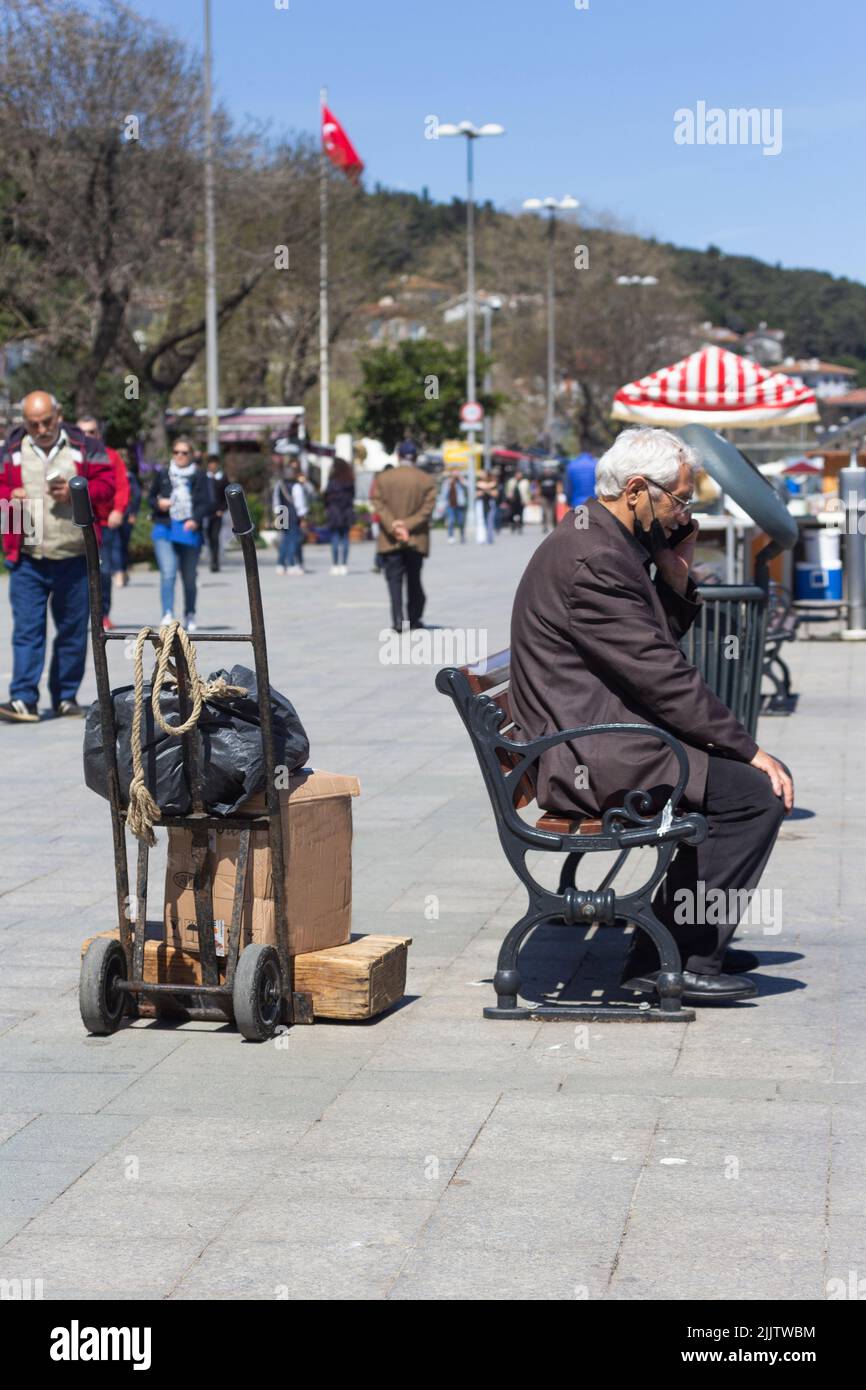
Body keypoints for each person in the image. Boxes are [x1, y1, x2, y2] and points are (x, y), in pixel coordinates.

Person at [509, 425, 793, 1005]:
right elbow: (660, 674)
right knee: (755, 793)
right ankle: (680, 956)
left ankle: (678, 936)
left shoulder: (600, 538)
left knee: (730, 784)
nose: (684, 513)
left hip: (595, 731)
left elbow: (645, 646)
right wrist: (748, 748)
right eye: (680, 499)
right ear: (638, 489)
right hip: (587, 749)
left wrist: (676, 571)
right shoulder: (596, 558)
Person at [0, 390, 114, 721]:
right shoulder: (10, 451)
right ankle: (23, 699)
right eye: (33, 424)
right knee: (27, 630)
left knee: (72, 631)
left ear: (59, 415)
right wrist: (10, 497)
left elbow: (108, 488)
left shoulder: (85, 447)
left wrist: (77, 490)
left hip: (75, 557)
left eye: (46, 422)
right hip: (28, 557)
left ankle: (66, 696)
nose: (41, 429)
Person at [148, 438, 209, 630]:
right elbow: (150, 497)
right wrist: (159, 503)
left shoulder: (199, 476)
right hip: (165, 527)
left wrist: (196, 519)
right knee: (168, 572)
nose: (180, 456)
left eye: (184, 452)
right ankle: (167, 613)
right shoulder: (163, 474)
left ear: (191, 455)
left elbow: (206, 502)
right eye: (176, 452)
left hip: (188, 530)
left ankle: (190, 613)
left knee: (189, 576)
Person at [375, 441, 436, 631]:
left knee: (394, 581)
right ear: (415, 457)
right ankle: (414, 619)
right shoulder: (426, 480)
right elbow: (427, 509)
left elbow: (378, 504)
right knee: (414, 579)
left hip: (390, 538)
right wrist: (407, 525)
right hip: (415, 538)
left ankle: (398, 620)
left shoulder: (383, 479)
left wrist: (394, 525)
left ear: (398, 456)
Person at [76, 415, 128, 631]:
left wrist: (118, 510)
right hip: (78, 524)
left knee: (103, 571)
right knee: (78, 572)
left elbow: (122, 485)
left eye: (92, 432)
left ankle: (103, 614)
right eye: (83, 433)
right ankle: (80, 615)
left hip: (104, 523)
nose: (88, 437)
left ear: (98, 434)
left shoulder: (111, 456)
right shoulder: (72, 457)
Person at [324, 458, 355, 574]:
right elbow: (352, 497)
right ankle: (344, 565)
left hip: (334, 512)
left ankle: (335, 564)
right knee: (345, 538)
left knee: (335, 538)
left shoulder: (332, 482)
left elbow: (326, 497)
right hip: (346, 512)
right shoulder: (349, 481)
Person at [272, 468, 304, 575]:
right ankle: (291, 564)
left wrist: (276, 514)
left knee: (284, 539)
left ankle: (280, 564)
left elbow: (276, 501)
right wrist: (302, 516)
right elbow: (299, 503)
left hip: (282, 513)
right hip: (292, 514)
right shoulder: (296, 486)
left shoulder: (279, 485)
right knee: (293, 539)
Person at [203, 454, 228, 572]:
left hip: (217, 513)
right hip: (206, 513)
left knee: (215, 537)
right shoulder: (204, 477)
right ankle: (211, 558)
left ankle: (215, 562)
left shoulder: (222, 478)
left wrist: (222, 510)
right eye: (210, 463)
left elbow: (227, 497)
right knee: (208, 537)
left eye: (214, 463)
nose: (212, 465)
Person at [442, 469, 468, 543]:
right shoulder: (447, 482)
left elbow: (468, 486)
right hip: (450, 505)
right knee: (451, 521)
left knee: (461, 522)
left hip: (460, 504)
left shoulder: (461, 481)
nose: (455, 475)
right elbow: (444, 494)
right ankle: (451, 536)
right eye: (454, 473)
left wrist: (460, 479)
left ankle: (462, 536)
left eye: (457, 473)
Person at [476, 471, 499, 544]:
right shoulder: (479, 483)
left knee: (490, 521)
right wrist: (488, 489)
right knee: (480, 521)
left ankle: (490, 538)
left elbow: (495, 494)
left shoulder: (493, 483)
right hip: (481, 503)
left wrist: (486, 489)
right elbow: (477, 494)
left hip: (490, 503)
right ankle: (481, 538)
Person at [539, 465, 559, 533]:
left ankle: (555, 526)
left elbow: (558, 485)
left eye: (548, 469)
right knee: (544, 512)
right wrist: (537, 495)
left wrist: (559, 493)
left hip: (553, 496)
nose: (547, 471)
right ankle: (545, 526)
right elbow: (537, 485)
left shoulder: (554, 476)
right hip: (544, 496)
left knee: (554, 511)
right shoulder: (541, 476)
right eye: (546, 469)